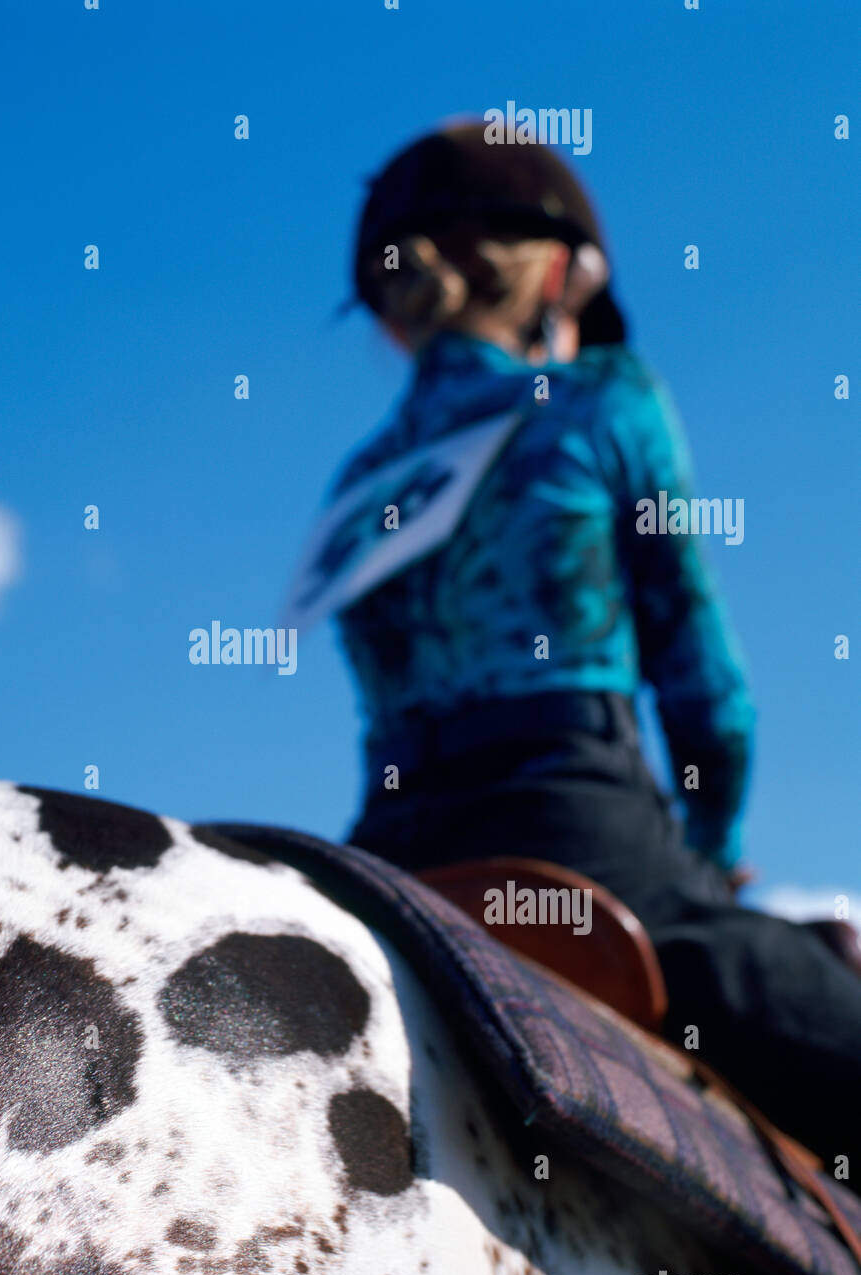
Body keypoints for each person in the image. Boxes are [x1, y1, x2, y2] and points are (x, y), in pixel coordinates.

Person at [331, 118, 861, 1177]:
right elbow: (705, 688)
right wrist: (706, 856)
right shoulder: (605, 397)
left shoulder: (358, 480)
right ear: (563, 278)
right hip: (583, 832)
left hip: (386, 854)